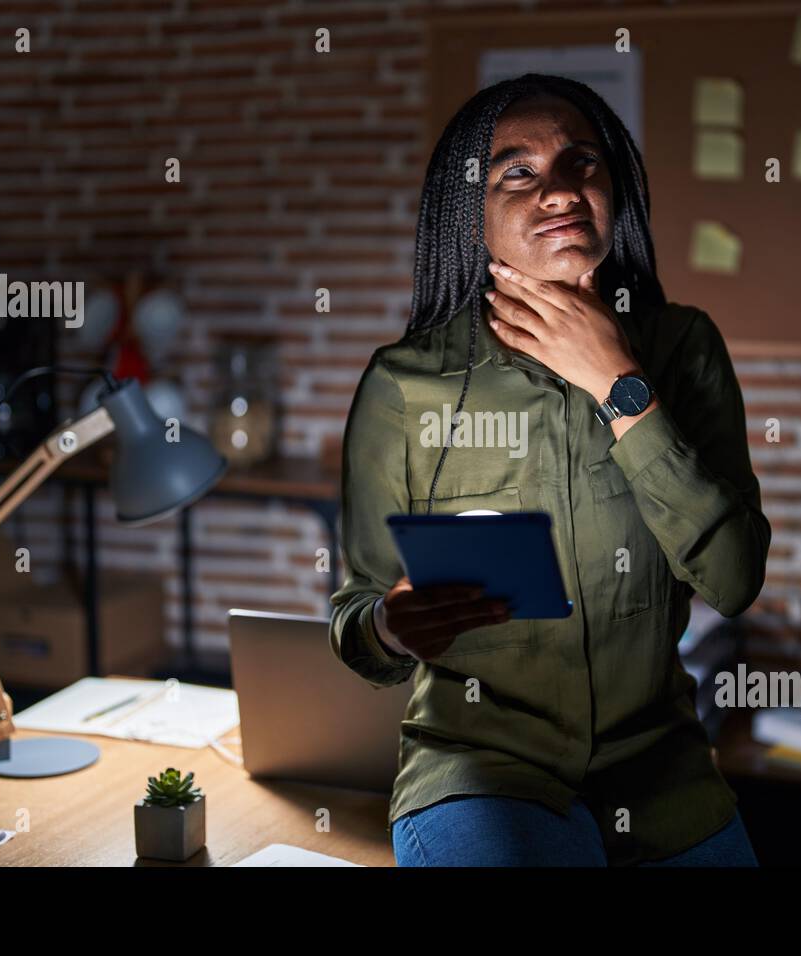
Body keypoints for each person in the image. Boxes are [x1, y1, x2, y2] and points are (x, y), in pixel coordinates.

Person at [329, 73, 771, 867]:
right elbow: (356, 617)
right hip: (480, 770)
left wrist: (617, 383)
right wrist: (393, 625)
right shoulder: (405, 386)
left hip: (661, 775)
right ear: (470, 215)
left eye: (582, 163)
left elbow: (733, 579)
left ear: (616, 190)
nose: (560, 191)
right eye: (518, 173)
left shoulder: (682, 348)